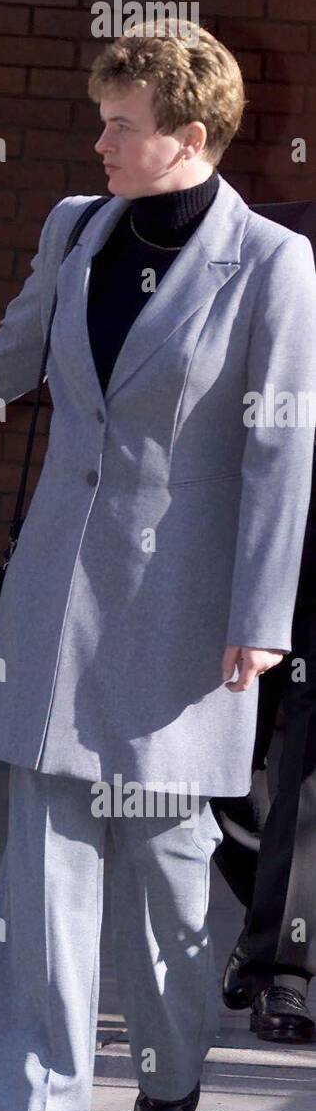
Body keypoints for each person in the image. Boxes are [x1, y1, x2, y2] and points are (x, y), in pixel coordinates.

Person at [0, 21, 316, 1111]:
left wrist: (259, 619)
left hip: (188, 607)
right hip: (56, 594)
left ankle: (170, 1060)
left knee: (168, 864)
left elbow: (280, 447)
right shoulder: (76, 229)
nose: (98, 142)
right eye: (98, 119)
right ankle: (32, 1094)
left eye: (118, 125)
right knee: (44, 851)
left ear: (188, 137)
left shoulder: (273, 264)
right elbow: (5, 357)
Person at [211, 198, 316, 1043]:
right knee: (228, 754)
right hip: (249, 529)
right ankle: (266, 925)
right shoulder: (269, 238)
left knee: (310, 755)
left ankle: (290, 963)